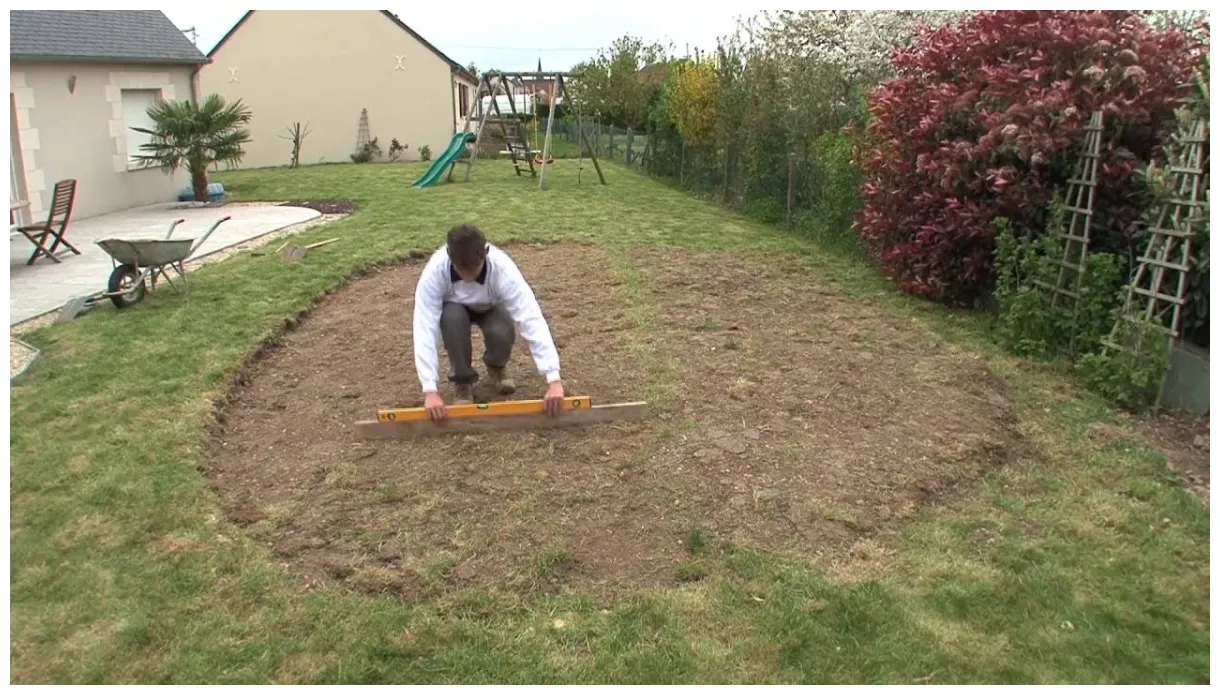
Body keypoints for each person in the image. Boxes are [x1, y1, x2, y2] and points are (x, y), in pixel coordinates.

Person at [412, 224, 565, 423]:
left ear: (486, 253)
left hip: (491, 306)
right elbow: (424, 327)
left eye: (474, 269)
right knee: (452, 319)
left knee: (502, 331)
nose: (468, 276)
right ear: (449, 255)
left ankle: (496, 366)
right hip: (454, 309)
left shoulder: (503, 269)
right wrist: (430, 390)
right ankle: (462, 381)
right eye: (461, 269)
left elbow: (530, 317)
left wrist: (553, 378)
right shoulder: (434, 272)